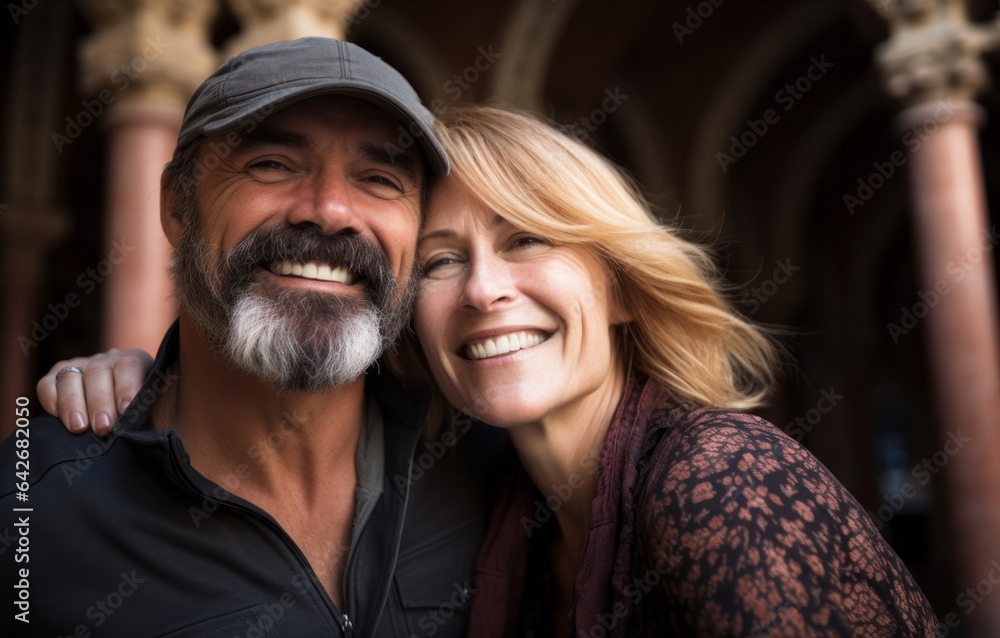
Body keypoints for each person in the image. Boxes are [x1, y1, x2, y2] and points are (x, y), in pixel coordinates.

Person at [38, 105, 940, 635]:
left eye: (528, 240)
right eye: (440, 260)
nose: (483, 290)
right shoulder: (491, 496)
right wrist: (155, 380)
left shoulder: (716, 479)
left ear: (622, 289)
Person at [2, 37, 498, 637]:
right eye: (272, 164)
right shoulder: (31, 511)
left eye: (379, 178)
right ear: (178, 207)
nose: (329, 210)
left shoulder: (486, 466)